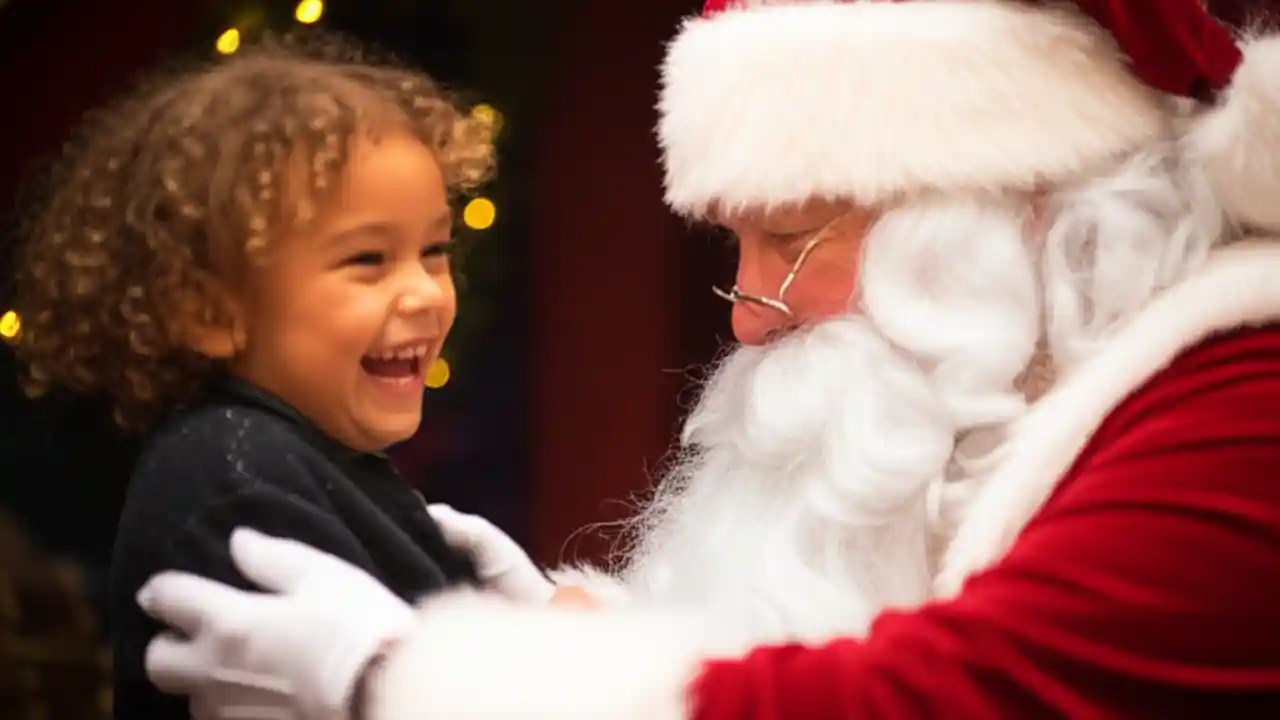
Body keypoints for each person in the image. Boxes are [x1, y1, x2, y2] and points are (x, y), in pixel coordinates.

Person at [136, 0, 1280, 717]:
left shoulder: (1243, 404)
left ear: (1006, 209)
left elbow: (952, 695)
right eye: (735, 248)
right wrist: (587, 643)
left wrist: (431, 683)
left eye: (790, 238)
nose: (747, 319)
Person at [8, 30, 510, 720]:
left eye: (434, 250)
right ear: (207, 308)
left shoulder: (296, 455)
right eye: (368, 259)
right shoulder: (235, 477)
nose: (426, 292)